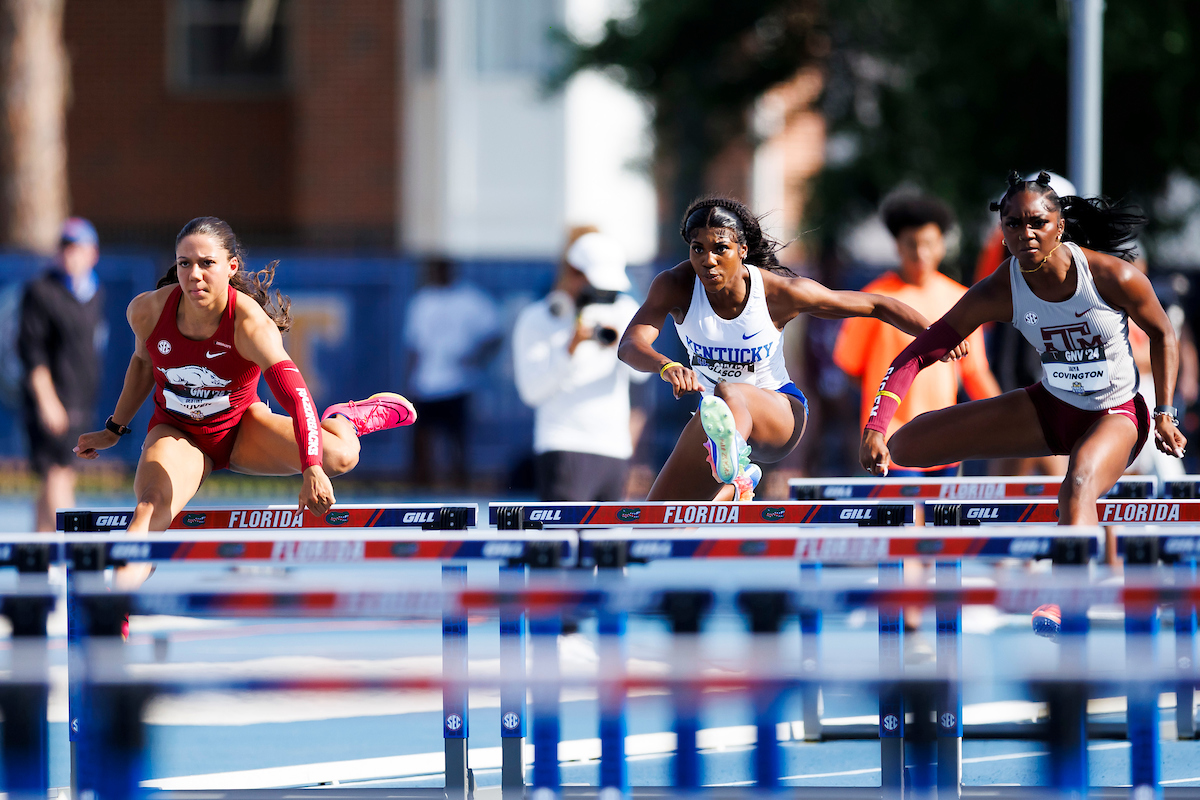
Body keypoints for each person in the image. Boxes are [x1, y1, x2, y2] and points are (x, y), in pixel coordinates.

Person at [862, 171, 1186, 523]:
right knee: (905, 446)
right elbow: (917, 353)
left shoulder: (1110, 276)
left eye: (1038, 223)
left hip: (1115, 413)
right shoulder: (1000, 289)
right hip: (1051, 409)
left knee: (1076, 487)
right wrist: (877, 427)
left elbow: (1164, 334)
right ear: (1002, 233)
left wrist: (1165, 414)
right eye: (1013, 224)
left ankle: (1080, 570)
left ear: (1059, 227)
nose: (1026, 234)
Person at [74, 216, 416, 534]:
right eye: (185, 263)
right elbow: (142, 364)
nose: (194, 275)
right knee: (149, 511)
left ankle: (344, 418)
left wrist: (311, 466)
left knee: (341, 457)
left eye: (207, 263)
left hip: (241, 431)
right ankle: (116, 589)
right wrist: (114, 429)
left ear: (230, 267)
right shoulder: (147, 311)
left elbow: (296, 396)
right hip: (177, 434)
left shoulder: (251, 325)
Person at [619, 196, 953, 501]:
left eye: (720, 248)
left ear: (743, 250)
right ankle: (735, 473)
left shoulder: (779, 293)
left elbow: (877, 304)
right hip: (717, 422)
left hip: (781, 416)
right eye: (697, 248)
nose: (708, 261)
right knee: (658, 519)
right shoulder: (675, 286)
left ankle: (738, 476)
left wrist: (938, 335)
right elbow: (630, 344)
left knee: (728, 392)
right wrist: (666, 365)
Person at [834, 194, 1001, 477]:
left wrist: (1006, 418)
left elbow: (975, 373)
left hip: (945, 440)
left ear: (941, 246)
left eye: (929, 243)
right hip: (891, 441)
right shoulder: (875, 300)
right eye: (912, 244)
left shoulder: (960, 299)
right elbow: (851, 369)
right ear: (898, 246)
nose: (920, 253)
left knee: (946, 521)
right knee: (900, 521)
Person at [512, 230, 648, 501]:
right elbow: (531, 392)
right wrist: (570, 349)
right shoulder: (537, 319)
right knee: (562, 542)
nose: (602, 296)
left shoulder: (622, 310)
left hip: (614, 449)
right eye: (596, 286)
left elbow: (640, 376)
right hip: (562, 446)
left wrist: (622, 346)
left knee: (610, 544)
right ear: (572, 273)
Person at [18, 218, 106, 531]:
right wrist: (47, 401)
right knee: (56, 473)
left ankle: (40, 554)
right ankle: (64, 549)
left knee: (59, 475)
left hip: (81, 399)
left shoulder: (94, 293)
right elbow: (32, 354)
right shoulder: (41, 292)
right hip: (51, 403)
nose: (70, 255)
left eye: (77, 248)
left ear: (92, 253)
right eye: (65, 247)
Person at [403, 256, 501, 489]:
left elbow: (495, 333)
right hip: (426, 383)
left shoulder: (469, 299)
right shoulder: (422, 301)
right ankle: (421, 489)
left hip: (458, 383)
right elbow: (413, 345)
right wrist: (410, 381)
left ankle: (459, 487)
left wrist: (477, 357)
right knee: (422, 440)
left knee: (457, 442)